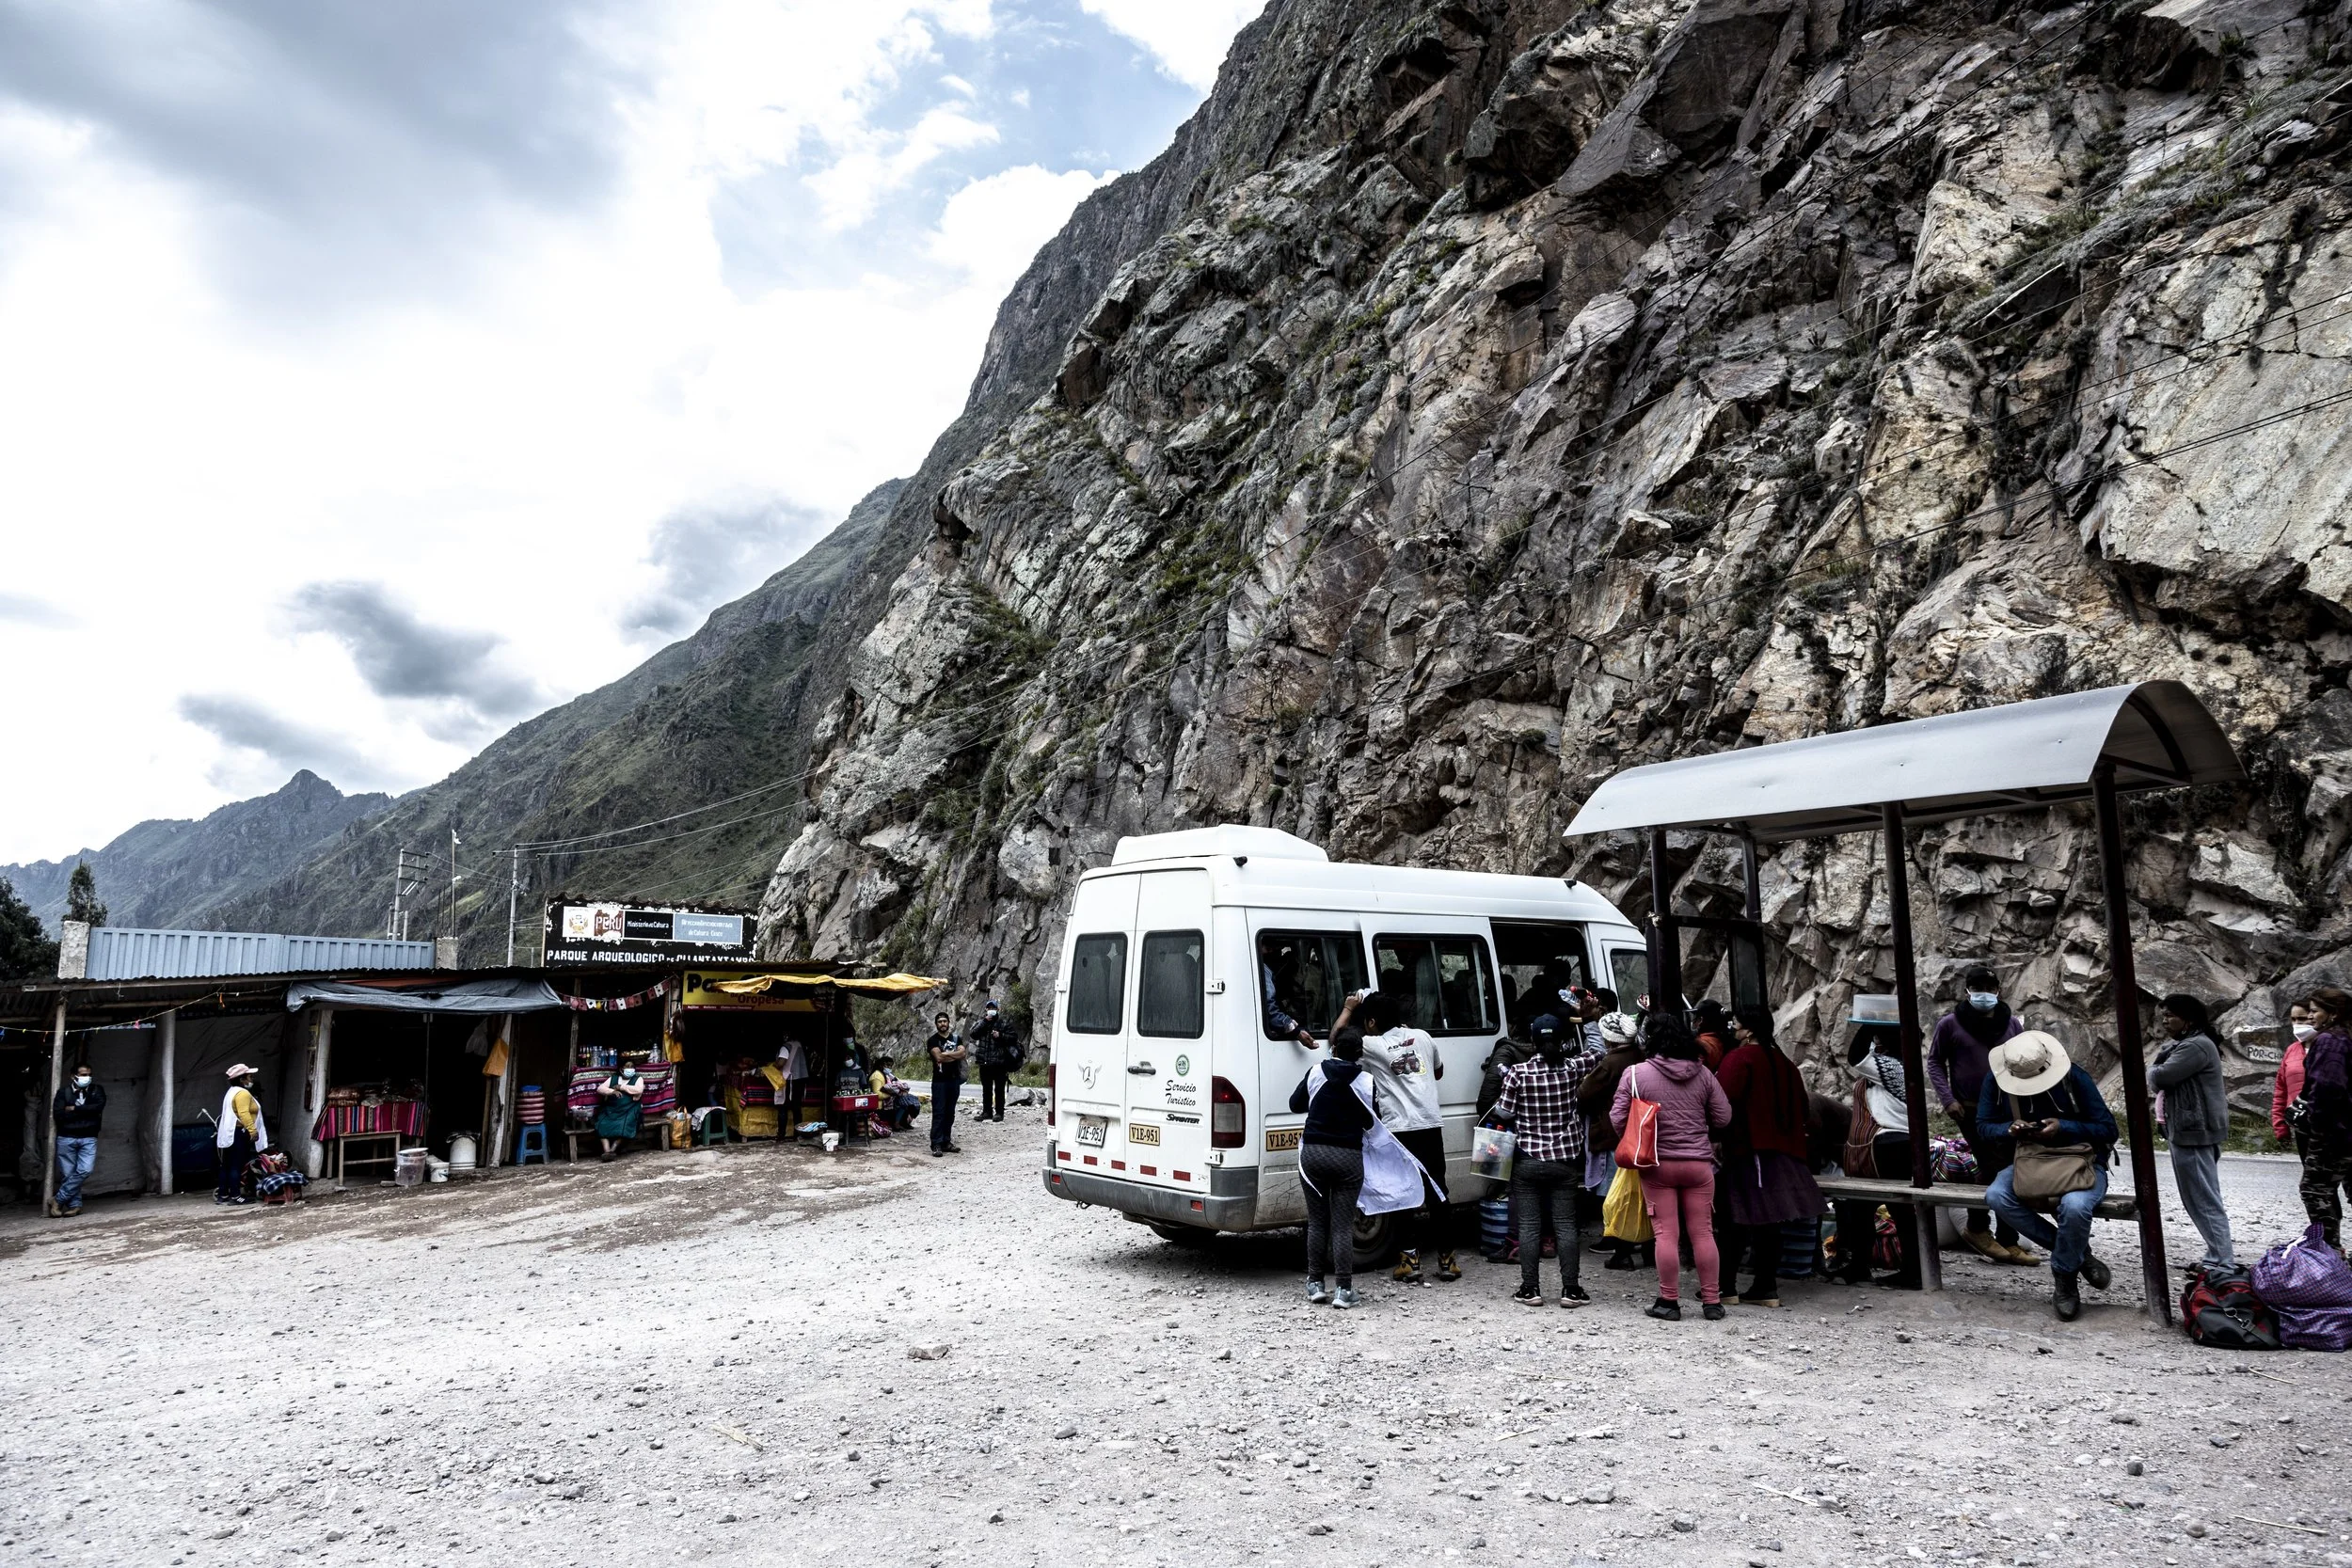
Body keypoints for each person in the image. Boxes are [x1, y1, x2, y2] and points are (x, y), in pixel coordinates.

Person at [1979, 1031, 2121, 1322]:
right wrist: (2009, 1129)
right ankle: (2077, 1255)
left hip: (2082, 1160)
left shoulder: (2074, 1077)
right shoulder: (1996, 1080)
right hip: (2030, 1161)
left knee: (2076, 1206)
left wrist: (2065, 1127)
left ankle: (2064, 1276)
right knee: (1995, 1196)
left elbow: (2108, 1129)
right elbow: (1983, 1126)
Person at [1330, 990, 1459, 1283]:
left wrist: (1349, 1008)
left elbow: (1337, 1042)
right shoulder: (1423, 1036)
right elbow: (1438, 1073)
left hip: (1400, 1130)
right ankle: (1447, 1261)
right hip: (1430, 1123)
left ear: (1372, 1022)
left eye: (1366, 1021)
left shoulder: (1372, 1045)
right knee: (1438, 1192)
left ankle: (1409, 1261)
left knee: (1403, 1195)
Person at [1612, 1014, 1732, 1321]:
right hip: (1698, 1166)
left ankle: (1668, 1302)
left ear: (1649, 1039)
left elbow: (1616, 1120)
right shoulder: (1704, 1074)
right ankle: (1712, 1302)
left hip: (1657, 1165)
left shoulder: (1636, 1074)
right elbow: (1723, 1118)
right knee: (1703, 1233)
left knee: (1666, 1234)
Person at [1714, 1009, 1823, 1308]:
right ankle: (1765, 1286)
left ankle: (1726, 1287)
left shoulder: (1739, 1059)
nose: (1732, 1029)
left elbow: (1722, 1103)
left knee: (1733, 1218)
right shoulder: (1786, 1063)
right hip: (1784, 1152)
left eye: (1735, 1025)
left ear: (1749, 1031)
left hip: (1749, 1148)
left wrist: (1714, 1136)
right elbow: (1803, 1108)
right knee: (1769, 1221)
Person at [1493, 1015, 1604, 1307]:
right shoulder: (1571, 1068)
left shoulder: (1518, 1073)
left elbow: (1504, 1113)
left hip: (1528, 1160)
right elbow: (1598, 1050)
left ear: (1533, 1042)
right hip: (1565, 1162)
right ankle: (1571, 1290)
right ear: (1562, 1040)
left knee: (1529, 1226)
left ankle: (1530, 1289)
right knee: (1565, 1226)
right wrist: (1590, 1020)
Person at [1930, 965, 2031, 1263]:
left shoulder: (2011, 1024)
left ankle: (2006, 1238)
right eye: (1977, 988)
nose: (1983, 994)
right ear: (1967, 991)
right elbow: (1935, 1063)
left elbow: (2025, 1060)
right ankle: (1979, 1228)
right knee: (1994, 1165)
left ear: (1998, 990)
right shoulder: (1950, 1024)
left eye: (1989, 988)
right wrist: (1947, 1099)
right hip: (1970, 1109)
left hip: (2008, 1108)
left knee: (2010, 1167)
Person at [1290, 1025, 1377, 1308]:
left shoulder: (1316, 1072)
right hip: (1348, 1158)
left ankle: (1315, 1284)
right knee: (1341, 1225)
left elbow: (1295, 1104)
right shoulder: (1366, 1081)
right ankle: (1343, 1290)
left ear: (1334, 1049)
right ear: (1360, 1054)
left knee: (1317, 1221)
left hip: (1313, 1154)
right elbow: (1371, 1123)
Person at [1833, 1016, 1920, 1288]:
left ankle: (1913, 1271)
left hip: (1889, 1143)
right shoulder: (1897, 1063)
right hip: (1884, 1145)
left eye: (1879, 1039)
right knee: (1864, 1208)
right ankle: (1861, 1265)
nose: (1876, 1044)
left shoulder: (1893, 1067)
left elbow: (1855, 1055)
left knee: (1898, 1209)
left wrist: (1869, 1019)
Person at [2151, 992, 2234, 1274]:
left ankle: (2221, 1263)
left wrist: (2156, 1067)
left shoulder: (2194, 1047)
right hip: (2189, 1130)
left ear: (2188, 1019)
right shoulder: (2189, 1044)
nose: (2165, 1020)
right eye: (2164, 1014)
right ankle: (2216, 1257)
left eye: (2171, 1015)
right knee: (2199, 1198)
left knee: (2203, 1200)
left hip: (2194, 1132)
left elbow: (2160, 1077)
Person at [1579, 1010, 1652, 1272]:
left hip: (1616, 1136)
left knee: (1618, 1194)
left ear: (1609, 1039)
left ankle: (1620, 1248)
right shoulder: (1640, 1056)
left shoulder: (1611, 1063)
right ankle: (1648, 1249)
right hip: (1643, 1132)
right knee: (1643, 1194)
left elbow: (1585, 1094)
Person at [2291, 987, 2352, 1250]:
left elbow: (2329, 1087)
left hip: (2333, 1133)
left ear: (2332, 1013)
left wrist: (2315, 1121)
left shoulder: (2330, 1041)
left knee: (2314, 1189)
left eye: (2315, 1011)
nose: (2310, 1017)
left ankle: (2329, 1252)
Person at [50, 1062, 104, 1217]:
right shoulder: (63, 1093)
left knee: (85, 1170)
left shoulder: (96, 1091)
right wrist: (86, 1112)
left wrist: (74, 1109)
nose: (86, 1078)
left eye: (88, 1074)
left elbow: (98, 1108)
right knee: (68, 1174)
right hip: (66, 1138)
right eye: (83, 1075)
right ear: (73, 1076)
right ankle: (75, 1206)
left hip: (88, 1137)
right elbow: (59, 1115)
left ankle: (57, 1199)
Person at [215, 1064, 268, 1206]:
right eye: (249, 1077)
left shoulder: (232, 1092)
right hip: (238, 1132)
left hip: (229, 1133)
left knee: (226, 1165)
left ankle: (223, 1194)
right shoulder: (242, 1093)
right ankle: (236, 1196)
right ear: (241, 1079)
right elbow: (244, 1113)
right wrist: (253, 1131)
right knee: (236, 1165)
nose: (252, 1079)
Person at [968, 1000, 1018, 1123]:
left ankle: (999, 1113)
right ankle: (987, 1112)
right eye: (989, 1008)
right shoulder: (981, 1023)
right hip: (984, 1061)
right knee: (986, 1088)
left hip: (1000, 1063)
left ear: (997, 1010)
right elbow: (973, 1034)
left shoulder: (1003, 1023)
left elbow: (1013, 1038)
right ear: (986, 1010)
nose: (991, 1010)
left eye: (993, 1008)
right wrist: (985, 1021)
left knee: (999, 1089)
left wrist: (1000, 1036)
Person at [2274, 1001, 2314, 1150]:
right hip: (2301, 1124)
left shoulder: (2332, 1046)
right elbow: (2281, 1091)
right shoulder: (2292, 1050)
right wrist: (2280, 1126)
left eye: (2302, 1019)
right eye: (2293, 1019)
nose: (2297, 1024)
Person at [926, 1012, 967, 1157]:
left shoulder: (956, 1038)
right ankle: (936, 1143)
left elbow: (962, 1055)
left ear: (949, 1022)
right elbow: (938, 1056)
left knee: (950, 1113)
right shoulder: (933, 1040)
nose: (942, 1024)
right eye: (939, 1022)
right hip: (939, 1081)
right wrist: (953, 1055)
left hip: (954, 1080)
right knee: (939, 1113)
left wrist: (946, 1055)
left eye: (945, 1021)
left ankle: (946, 1141)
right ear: (936, 1024)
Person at [595, 1063, 646, 1160]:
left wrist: (621, 1087)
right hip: (612, 1108)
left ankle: (613, 1149)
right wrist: (612, 1091)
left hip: (630, 1108)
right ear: (621, 1069)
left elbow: (638, 1090)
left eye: (632, 1068)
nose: (630, 1070)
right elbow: (600, 1089)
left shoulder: (638, 1079)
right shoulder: (613, 1078)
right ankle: (607, 1151)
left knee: (623, 1124)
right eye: (628, 1067)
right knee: (602, 1123)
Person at [1691, 1000, 1734, 1073]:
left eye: (1696, 1018)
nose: (1693, 1022)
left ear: (1701, 1020)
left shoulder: (1703, 1044)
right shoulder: (1719, 1038)